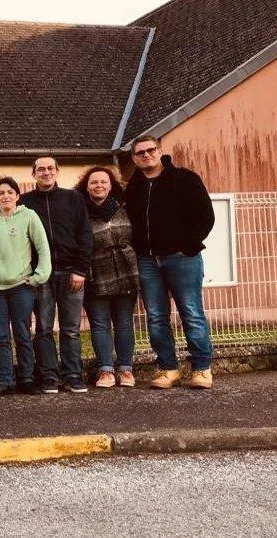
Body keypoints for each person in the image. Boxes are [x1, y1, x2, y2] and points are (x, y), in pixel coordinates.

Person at [124, 136, 215, 389]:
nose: (146, 155)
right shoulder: (133, 187)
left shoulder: (184, 179)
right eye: (140, 152)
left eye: (150, 150)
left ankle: (202, 369)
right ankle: (168, 369)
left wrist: (187, 245)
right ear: (134, 158)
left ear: (159, 151)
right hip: (147, 260)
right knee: (156, 317)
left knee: (191, 313)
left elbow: (205, 216)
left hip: (182, 258)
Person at [0, 177, 51, 397]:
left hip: (21, 286)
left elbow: (42, 248)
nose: (5, 196)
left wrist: (39, 276)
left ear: (17, 196)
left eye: (10, 192)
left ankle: (27, 379)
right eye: (1, 193)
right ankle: (5, 380)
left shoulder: (29, 216)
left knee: (23, 334)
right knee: (1, 336)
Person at [19, 156, 93, 394]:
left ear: (57, 171)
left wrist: (80, 270)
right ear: (34, 174)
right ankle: (49, 376)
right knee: (43, 328)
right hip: (41, 274)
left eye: (50, 168)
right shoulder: (24, 202)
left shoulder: (74, 198)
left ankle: (73, 375)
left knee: (71, 329)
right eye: (41, 169)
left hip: (72, 272)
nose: (46, 172)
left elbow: (85, 235)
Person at [74, 166, 139, 388]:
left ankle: (125, 369)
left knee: (124, 323)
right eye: (94, 182)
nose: (99, 185)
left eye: (103, 181)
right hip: (95, 272)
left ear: (111, 185)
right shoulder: (80, 211)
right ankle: (105, 371)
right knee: (99, 324)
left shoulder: (125, 207)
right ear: (86, 186)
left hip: (126, 270)